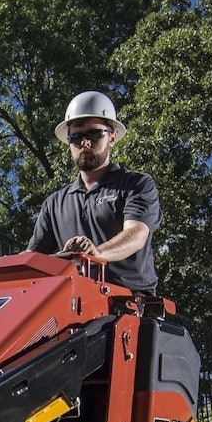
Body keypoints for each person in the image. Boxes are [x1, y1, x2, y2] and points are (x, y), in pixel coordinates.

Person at [27, 91, 162, 293]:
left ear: (112, 138)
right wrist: (6, 266)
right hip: (75, 301)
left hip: (129, 301)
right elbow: (34, 257)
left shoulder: (135, 184)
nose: (85, 143)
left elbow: (136, 234)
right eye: (76, 137)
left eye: (94, 134)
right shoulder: (55, 203)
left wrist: (97, 253)